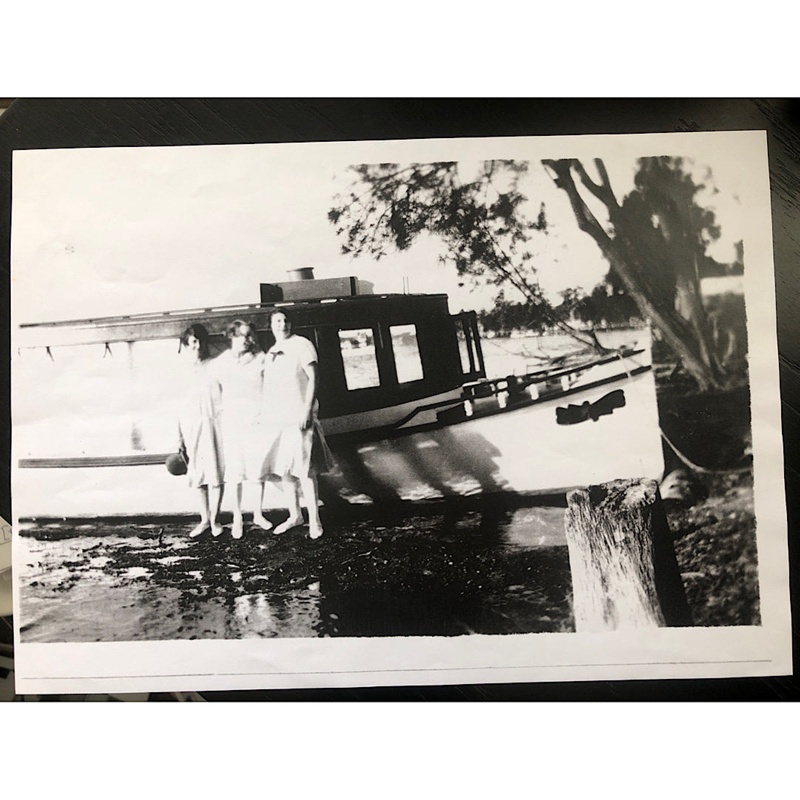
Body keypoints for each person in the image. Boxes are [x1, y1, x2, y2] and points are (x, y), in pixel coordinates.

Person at [261, 309, 333, 539]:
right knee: (285, 471)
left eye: (286, 320)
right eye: (278, 321)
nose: (283, 325)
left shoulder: (302, 344)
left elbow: (314, 377)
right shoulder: (271, 352)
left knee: (305, 470)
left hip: (299, 417)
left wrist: (307, 410)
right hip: (278, 420)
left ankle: (315, 521)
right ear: (271, 326)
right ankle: (295, 516)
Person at [214, 320, 273, 539]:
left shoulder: (261, 359)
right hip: (232, 424)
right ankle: (237, 517)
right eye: (242, 336)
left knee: (257, 471)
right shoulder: (220, 363)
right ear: (232, 336)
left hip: (257, 422)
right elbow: (215, 395)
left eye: (250, 336)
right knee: (235, 473)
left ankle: (258, 513)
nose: (247, 340)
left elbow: (270, 390)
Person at [177, 324, 225, 538]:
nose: (198, 346)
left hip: (215, 425)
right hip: (192, 428)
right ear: (187, 345)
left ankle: (215, 520)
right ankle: (204, 519)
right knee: (198, 474)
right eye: (194, 342)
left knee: (215, 472)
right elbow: (178, 407)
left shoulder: (216, 366)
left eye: (201, 341)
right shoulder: (182, 372)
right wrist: (179, 435)